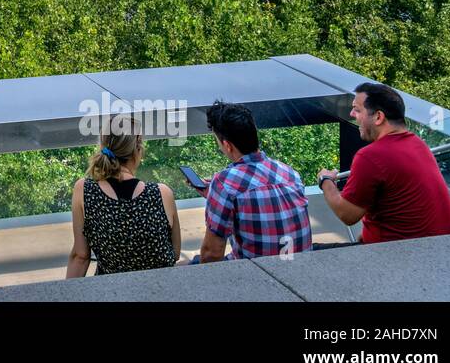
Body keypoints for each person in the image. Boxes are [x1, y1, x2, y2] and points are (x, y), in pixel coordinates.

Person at [317, 82, 450, 244]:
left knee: (308, 252)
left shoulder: (371, 156)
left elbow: (347, 214)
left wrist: (326, 181)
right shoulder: (418, 144)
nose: (351, 114)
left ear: (378, 117)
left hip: (398, 256)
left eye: (357, 109)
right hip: (441, 248)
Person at [198, 100, 312, 261]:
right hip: (301, 267)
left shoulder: (224, 183)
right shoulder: (289, 173)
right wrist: (214, 195)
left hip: (258, 275)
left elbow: (211, 254)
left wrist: (218, 193)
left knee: (185, 264)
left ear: (227, 145)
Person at [68, 116, 181, 276]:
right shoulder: (162, 194)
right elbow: (174, 254)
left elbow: (80, 256)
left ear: (103, 147)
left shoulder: (84, 190)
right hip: (159, 291)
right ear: (138, 150)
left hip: (111, 292)